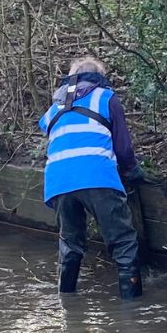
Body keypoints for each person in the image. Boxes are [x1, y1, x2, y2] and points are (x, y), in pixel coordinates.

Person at [39, 56, 145, 299]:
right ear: (99, 78)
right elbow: (124, 147)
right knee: (123, 242)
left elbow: (49, 131)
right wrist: (132, 171)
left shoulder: (56, 105)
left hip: (58, 182)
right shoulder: (106, 98)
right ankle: (133, 310)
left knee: (70, 243)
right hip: (97, 177)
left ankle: (66, 301)